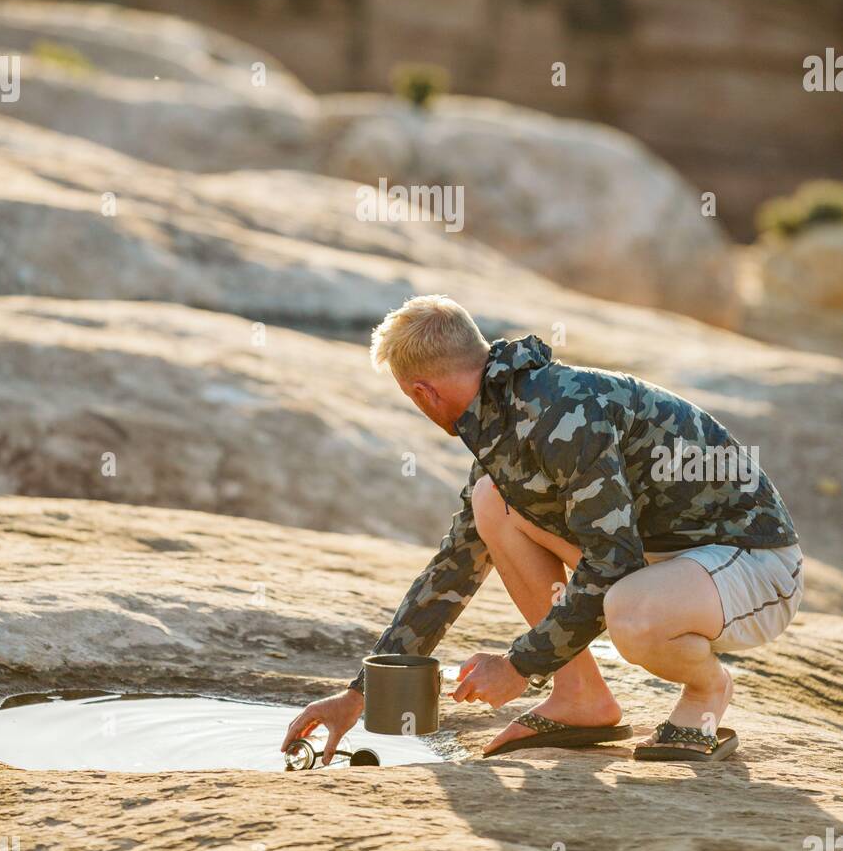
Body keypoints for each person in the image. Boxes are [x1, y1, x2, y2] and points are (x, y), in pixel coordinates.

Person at [282, 295, 802, 764]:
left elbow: (612, 562)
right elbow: (454, 568)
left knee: (633, 611)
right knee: (493, 505)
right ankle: (580, 697)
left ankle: (707, 693)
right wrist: (359, 694)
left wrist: (518, 664)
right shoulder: (500, 420)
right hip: (670, 563)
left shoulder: (561, 410)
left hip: (752, 563)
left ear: (423, 391)